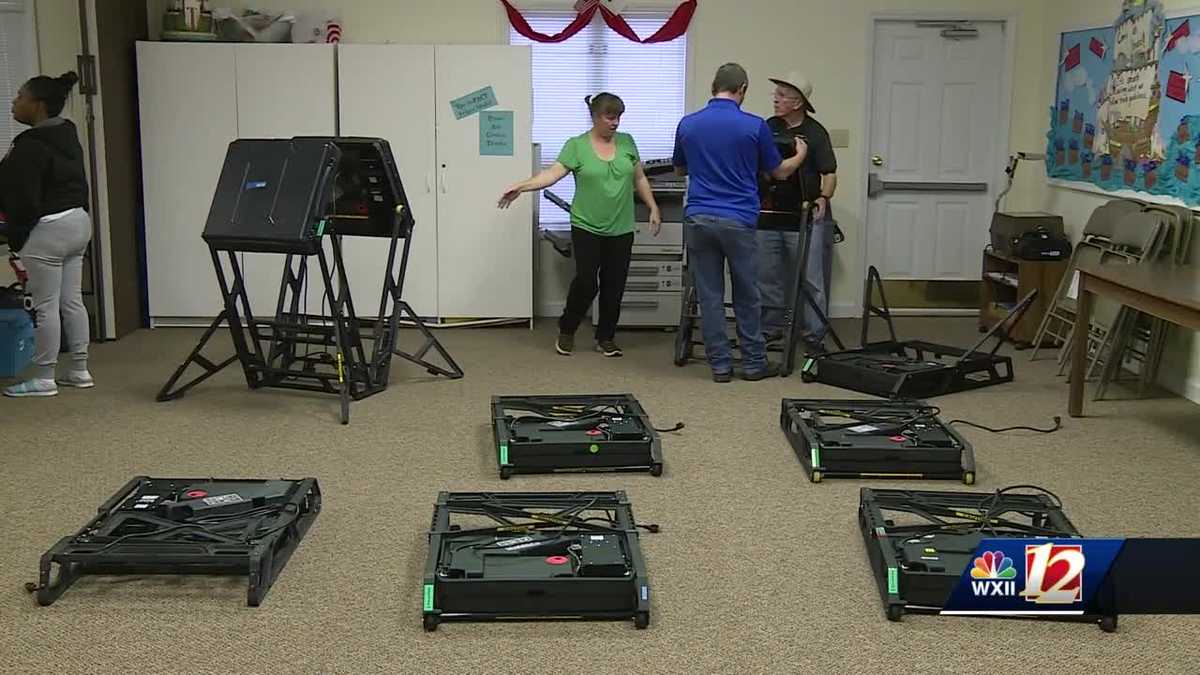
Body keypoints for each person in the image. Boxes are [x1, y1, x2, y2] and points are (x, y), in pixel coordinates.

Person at [499, 92, 661, 358]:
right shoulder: (577, 145)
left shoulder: (628, 142)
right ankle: (567, 329)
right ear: (596, 117)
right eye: (610, 117)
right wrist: (522, 186)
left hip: (621, 228)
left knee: (614, 285)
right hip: (586, 226)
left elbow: (640, 178)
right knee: (587, 282)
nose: (615, 123)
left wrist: (653, 206)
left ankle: (606, 337)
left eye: (618, 117)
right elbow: (552, 174)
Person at [672, 63, 805, 383]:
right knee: (747, 293)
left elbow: (679, 170)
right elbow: (779, 172)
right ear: (742, 89)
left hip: (700, 218)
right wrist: (800, 153)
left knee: (710, 295)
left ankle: (720, 366)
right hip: (738, 219)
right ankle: (755, 363)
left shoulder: (688, 124)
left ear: (713, 86)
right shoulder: (753, 126)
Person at [1, 72, 93, 398]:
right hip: (78, 223)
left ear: (37, 105)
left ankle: (44, 377)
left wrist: (17, 238)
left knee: (45, 305)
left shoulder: (28, 146)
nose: (14, 102)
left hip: (49, 230)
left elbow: (21, 199)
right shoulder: (67, 135)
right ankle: (80, 370)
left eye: (20, 96)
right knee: (71, 301)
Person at [758, 72, 839, 353]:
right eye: (776, 94)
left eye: (781, 96)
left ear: (797, 102)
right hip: (769, 213)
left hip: (805, 214)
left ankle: (814, 335)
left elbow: (829, 172)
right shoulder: (768, 127)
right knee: (768, 275)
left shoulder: (816, 133)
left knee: (811, 278)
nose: (775, 100)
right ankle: (770, 330)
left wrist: (824, 197)